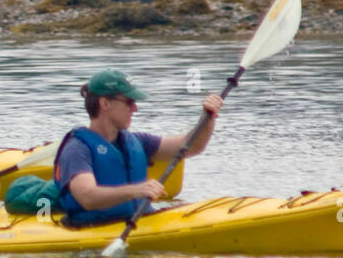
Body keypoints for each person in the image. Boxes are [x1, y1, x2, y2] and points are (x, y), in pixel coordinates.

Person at [55, 69, 224, 226]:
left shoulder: (138, 141)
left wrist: (208, 118)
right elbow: (87, 197)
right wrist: (135, 191)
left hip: (138, 222)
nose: (135, 109)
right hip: (93, 229)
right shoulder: (77, 149)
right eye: (129, 102)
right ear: (105, 103)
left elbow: (191, 146)